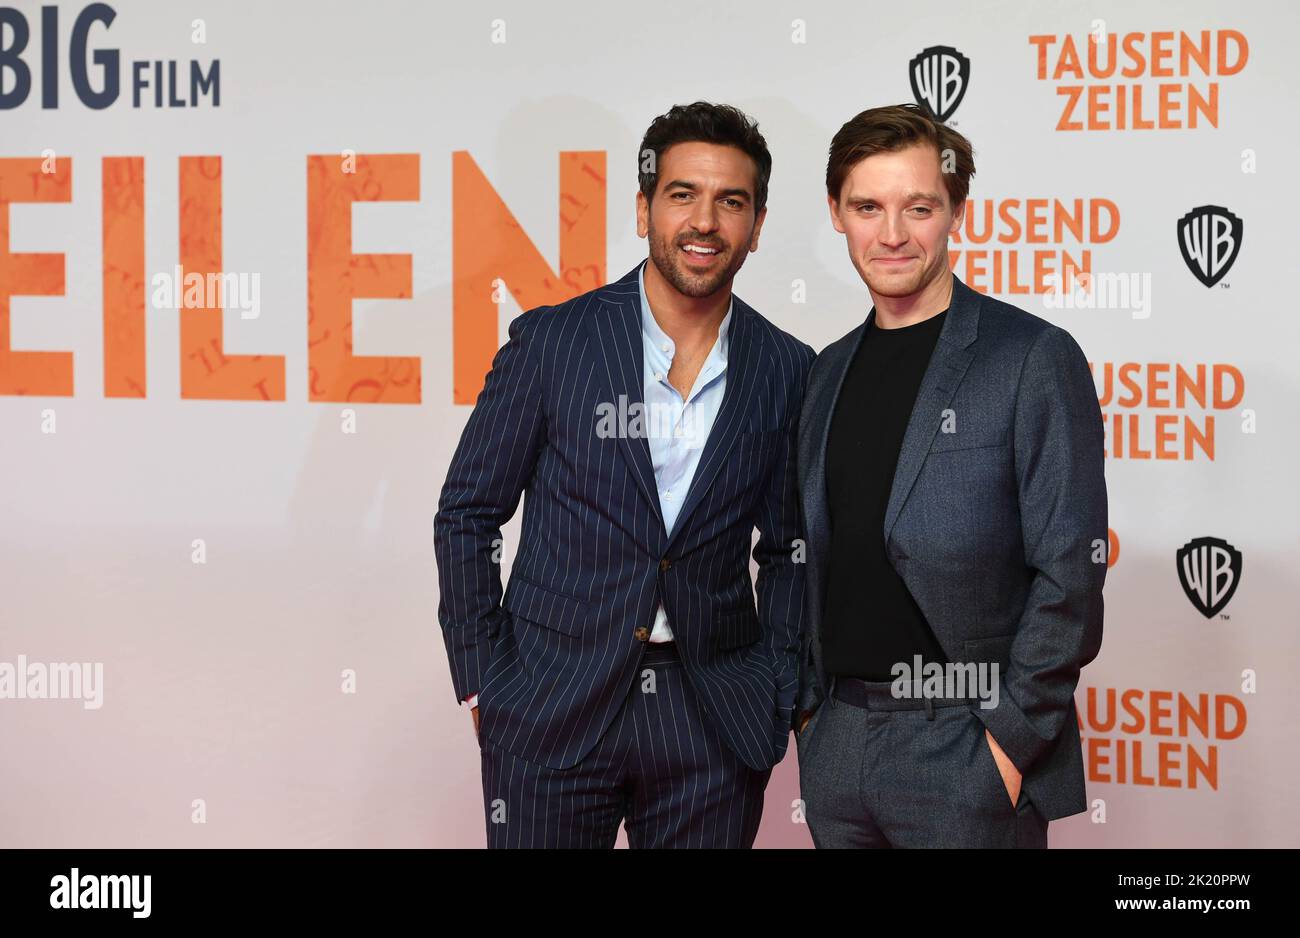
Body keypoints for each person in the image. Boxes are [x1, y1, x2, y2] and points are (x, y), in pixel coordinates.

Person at [435, 101, 814, 848]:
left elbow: (791, 548)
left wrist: (778, 686)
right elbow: (468, 513)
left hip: (711, 716)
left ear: (757, 226)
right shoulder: (554, 343)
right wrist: (485, 680)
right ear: (643, 210)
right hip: (549, 699)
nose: (705, 222)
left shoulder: (787, 369)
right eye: (682, 195)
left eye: (730, 202)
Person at [794, 103, 1107, 848]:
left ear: (957, 212)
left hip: (965, 746)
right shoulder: (825, 371)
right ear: (836, 213)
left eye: (919, 207)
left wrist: (1007, 745)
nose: (892, 233)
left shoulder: (1031, 356)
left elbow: (1070, 571)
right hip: (837, 744)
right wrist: (810, 717)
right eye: (867, 206)